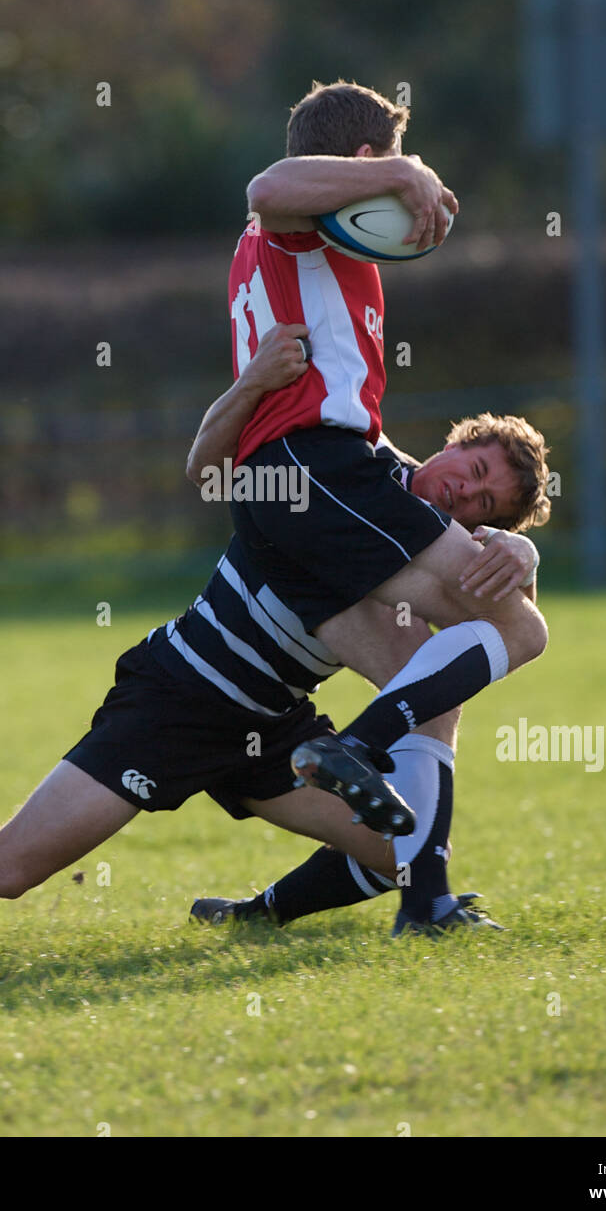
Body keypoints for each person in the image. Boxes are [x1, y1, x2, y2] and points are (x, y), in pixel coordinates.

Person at [0, 339, 546, 942]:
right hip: (182, 697)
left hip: (275, 727)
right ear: (453, 440)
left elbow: (484, 634)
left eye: (484, 505)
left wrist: (523, 557)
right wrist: (256, 382)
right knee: (6, 867)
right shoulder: (347, 468)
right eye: (470, 464)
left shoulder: (433, 543)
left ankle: (259, 917)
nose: (463, 490)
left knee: (396, 847)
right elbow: (206, 465)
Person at [223, 80, 549, 818]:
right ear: (366, 159)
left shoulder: (316, 247)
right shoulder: (297, 222)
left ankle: (425, 900)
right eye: (395, 166)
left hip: (288, 488)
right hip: (316, 467)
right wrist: (404, 174)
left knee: (426, 685)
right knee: (517, 627)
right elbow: (266, 186)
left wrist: (515, 548)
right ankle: (355, 747)